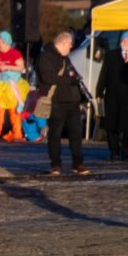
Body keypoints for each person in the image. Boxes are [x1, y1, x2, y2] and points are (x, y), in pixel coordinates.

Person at [37, 31, 90, 177]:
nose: (71, 48)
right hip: (56, 101)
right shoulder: (46, 56)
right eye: (70, 45)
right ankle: (56, 164)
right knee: (55, 134)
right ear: (64, 43)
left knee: (76, 133)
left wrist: (75, 79)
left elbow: (74, 76)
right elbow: (47, 77)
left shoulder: (65, 58)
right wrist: (69, 79)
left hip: (72, 101)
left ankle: (78, 163)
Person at [97, 32, 128, 162]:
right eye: (123, 39)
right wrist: (99, 92)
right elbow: (103, 75)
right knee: (111, 125)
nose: (124, 41)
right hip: (112, 96)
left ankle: (126, 152)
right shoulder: (111, 55)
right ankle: (113, 151)